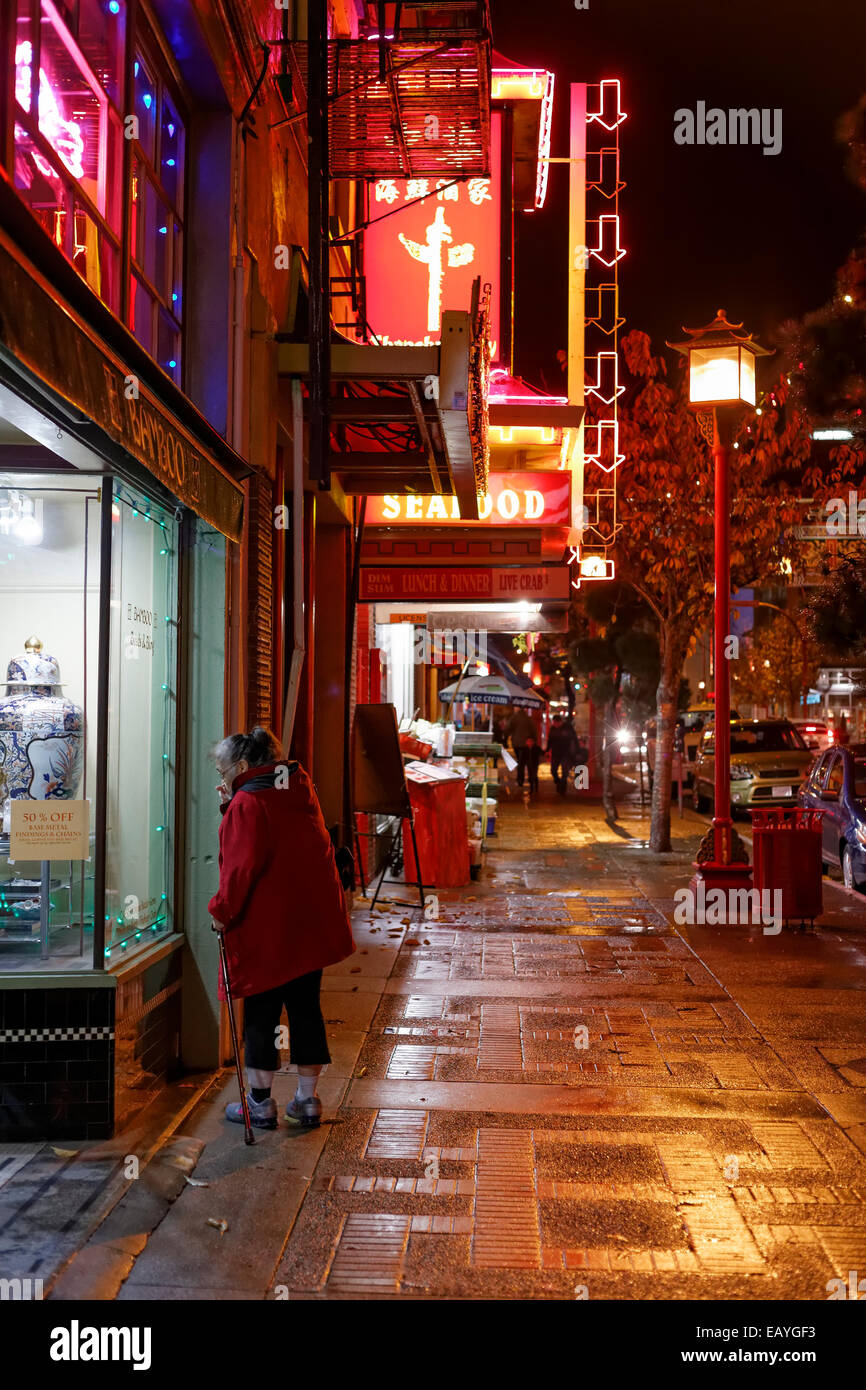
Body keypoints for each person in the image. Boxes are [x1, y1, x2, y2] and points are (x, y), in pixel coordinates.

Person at [209, 726, 354, 1130]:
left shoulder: (248, 804)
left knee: (262, 1012)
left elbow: (241, 867)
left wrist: (221, 910)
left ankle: (260, 1103)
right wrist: (232, 805)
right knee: (306, 1008)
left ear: (241, 766)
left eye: (223, 772)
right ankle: (307, 1101)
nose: (222, 780)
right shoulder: (298, 790)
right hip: (311, 922)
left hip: (268, 927)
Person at [504, 706, 540, 792]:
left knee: (520, 762)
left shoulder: (514, 718)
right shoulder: (528, 718)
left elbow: (508, 729)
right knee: (527, 761)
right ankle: (529, 778)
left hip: (516, 744)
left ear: (517, 708)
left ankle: (520, 779)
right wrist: (534, 740)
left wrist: (505, 739)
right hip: (526, 744)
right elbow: (534, 731)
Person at [548, 714, 579, 795]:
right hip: (555, 753)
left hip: (566, 753)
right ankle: (558, 782)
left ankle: (562, 790)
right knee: (553, 770)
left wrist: (575, 751)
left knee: (564, 773)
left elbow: (574, 739)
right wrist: (547, 750)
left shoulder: (568, 728)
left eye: (556, 723)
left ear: (560, 722)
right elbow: (550, 740)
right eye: (553, 722)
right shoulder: (553, 729)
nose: (554, 724)